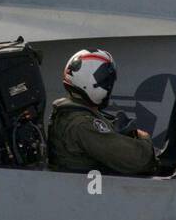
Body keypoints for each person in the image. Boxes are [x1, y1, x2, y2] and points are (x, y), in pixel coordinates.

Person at [47, 48, 155, 176]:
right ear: (91, 84)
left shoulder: (71, 114)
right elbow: (140, 160)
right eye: (107, 84)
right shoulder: (83, 125)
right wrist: (145, 138)